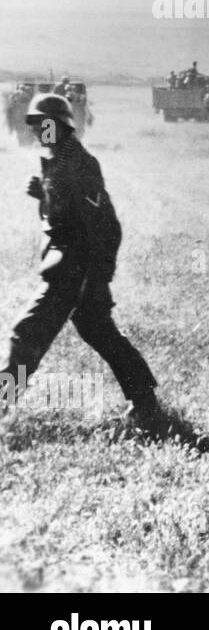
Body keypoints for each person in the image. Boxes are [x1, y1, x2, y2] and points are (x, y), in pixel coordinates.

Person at [1, 95, 166, 432]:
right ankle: (145, 402)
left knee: (27, 335)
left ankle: (2, 402)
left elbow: (104, 224)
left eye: (44, 124)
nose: (37, 130)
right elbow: (65, 213)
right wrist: (44, 196)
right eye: (35, 124)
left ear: (61, 126)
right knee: (99, 331)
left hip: (75, 269)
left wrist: (97, 276)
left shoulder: (77, 163)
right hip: (73, 266)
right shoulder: (60, 159)